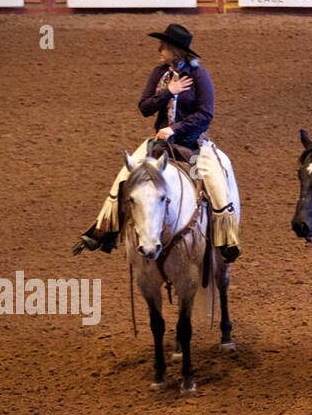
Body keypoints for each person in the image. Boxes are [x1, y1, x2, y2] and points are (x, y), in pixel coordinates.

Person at [77, 23, 240, 262]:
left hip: (193, 145)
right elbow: (144, 107)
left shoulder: (199, 76)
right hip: (159, 144)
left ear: (176, 50)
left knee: (215, 182)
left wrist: (174, 128)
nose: (159, 51)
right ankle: (104, 230)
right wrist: (169, 92)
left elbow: (205, 114)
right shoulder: (159, 74)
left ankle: (225, 238)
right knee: (125, 176)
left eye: (163, 46)